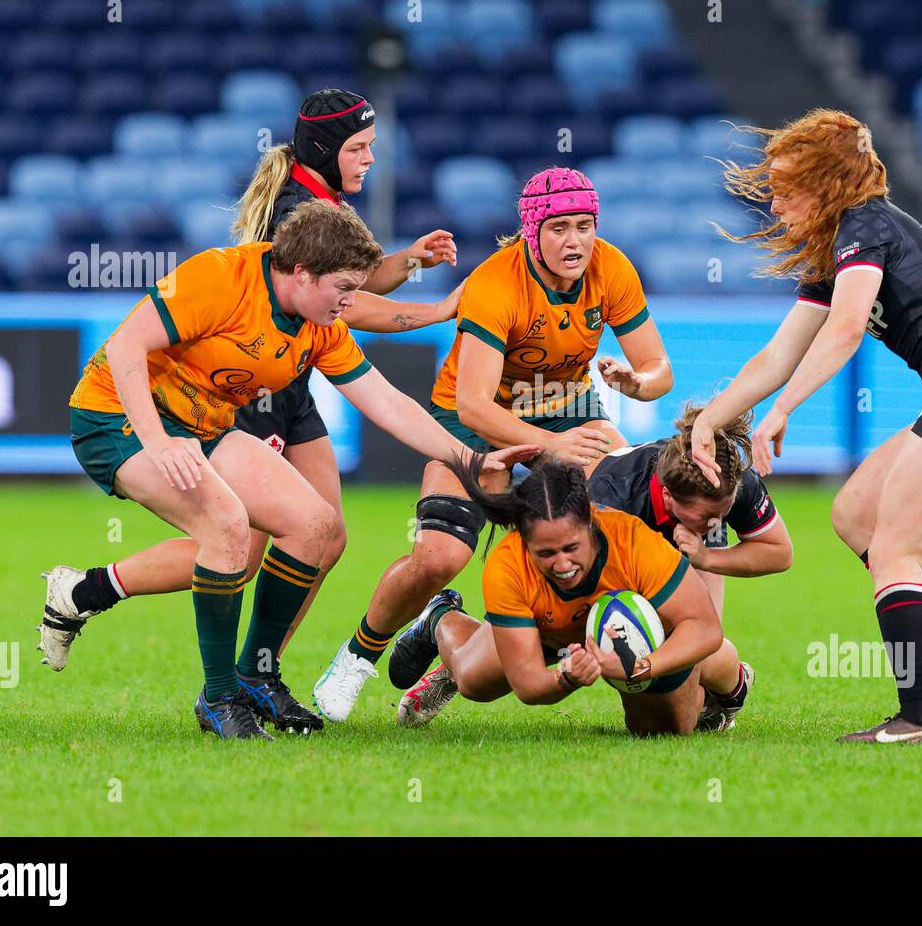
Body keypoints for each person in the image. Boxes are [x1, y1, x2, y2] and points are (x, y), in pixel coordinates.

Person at [37, 90, 462, 730]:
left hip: (207, 422)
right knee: (230, 533)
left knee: (317, 530)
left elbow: (388, 403)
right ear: (300, 272)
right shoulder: (220, 276)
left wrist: (468, 456)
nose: (353, 303)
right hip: (117, 421)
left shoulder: (318, 313)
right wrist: (158, 442)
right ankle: (219, 696)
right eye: (345, 289)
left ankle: (256, 672)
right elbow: (126, 346)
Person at [691, 109, 922, 743]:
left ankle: (916, 719)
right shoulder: (840, 246)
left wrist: (783, 409)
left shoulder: (866, 224)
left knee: (897, 551)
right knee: (855, 514)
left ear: (826, 181)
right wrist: (711, 420)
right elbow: (778, 354)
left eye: (785, 186)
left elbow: (847, 329)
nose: (773, 201)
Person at [312, 167, 674, 723]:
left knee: (624, 528)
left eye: (584, 226)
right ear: (532, 232)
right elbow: (473, 405)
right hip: (471, 423)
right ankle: (360, 654)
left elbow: (658, 370)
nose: (574, 241)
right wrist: (549, 449)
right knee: (438, 557)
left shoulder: (613, 268)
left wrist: (636, 384)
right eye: (559, 228)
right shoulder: (495, 284)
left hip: (569, 409)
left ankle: (655, 675)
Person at [386, 454, 723, 736]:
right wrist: (568, 677)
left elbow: (705, 628)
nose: (562, 564)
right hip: (545, 629)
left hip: (629, 642)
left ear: (592, 523)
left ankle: (728, 687)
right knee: (474, 683)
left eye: (571, 547)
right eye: (545, 553)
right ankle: (440, 616)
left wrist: (641, 667)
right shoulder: (508, 564)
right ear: (524, 542)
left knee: (666, 732)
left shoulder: (634, 541)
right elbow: (529, 685)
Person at [584, 403, 793, 730]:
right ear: (668, 497)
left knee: (696, 657)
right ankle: (722, 683)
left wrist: (707, 557)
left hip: (692, 557)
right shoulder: (613, 498)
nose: (718, 521)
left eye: (722, 513)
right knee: (650, 722)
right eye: (707, 517)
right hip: (627, 572)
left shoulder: (730, 480)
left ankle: (730, 687)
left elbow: (780, 553)